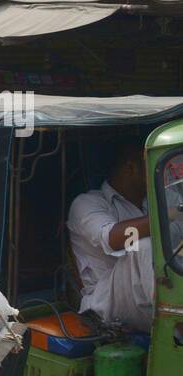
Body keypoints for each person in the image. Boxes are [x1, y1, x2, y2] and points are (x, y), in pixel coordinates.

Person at [68, 140, 158, 332]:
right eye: (153, 166)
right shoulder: (86, 204)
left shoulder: (158, 198)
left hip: (152, 291)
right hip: (109, 302)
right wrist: (165, 218)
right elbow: (111, 239)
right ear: (131, 168)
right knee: (143, 246)